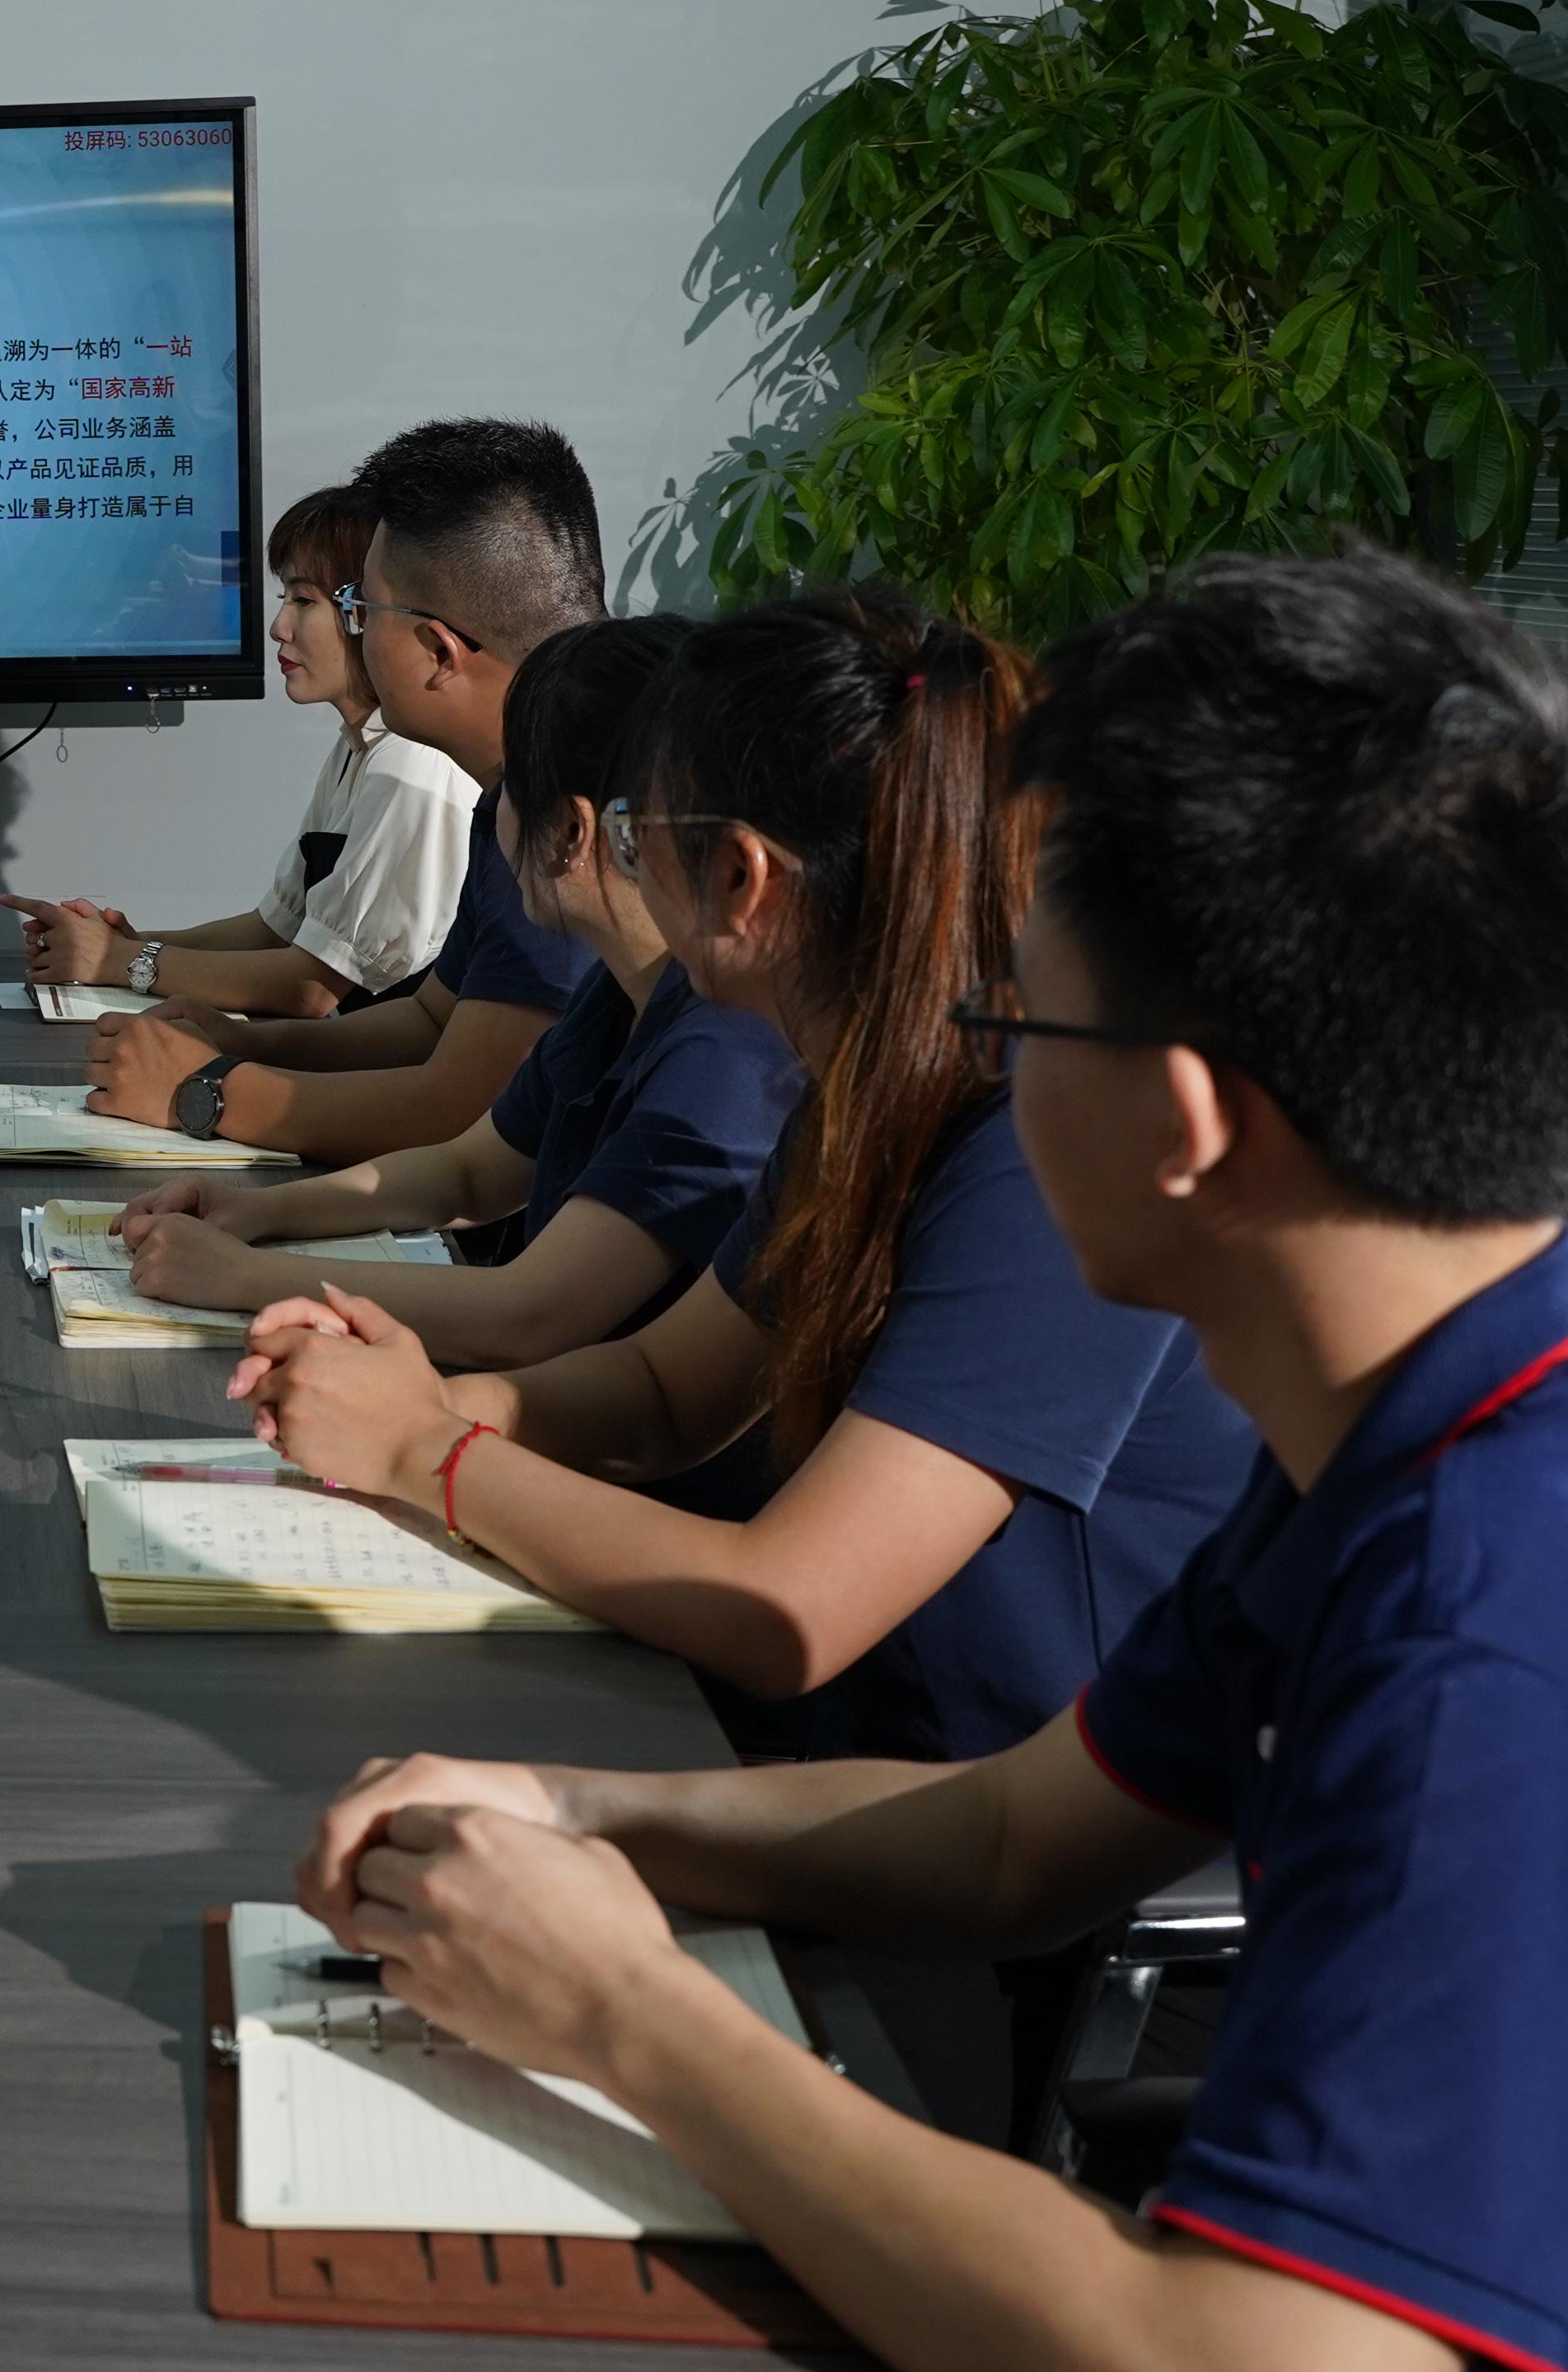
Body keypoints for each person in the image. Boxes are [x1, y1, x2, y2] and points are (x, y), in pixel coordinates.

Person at [289, 554, 1568, 2372]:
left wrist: (626, 2014)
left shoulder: (1505, 1631)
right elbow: (1013, 1834)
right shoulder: (1431, 1434)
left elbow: (1226, 2351)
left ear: (1186, 1123)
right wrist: (571, 1817)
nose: (984, 1068)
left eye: (1019, 1017)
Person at [236, 587, 1256, 1761]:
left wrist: (425, 1452)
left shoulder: (1033, 1153)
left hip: (987, 1822)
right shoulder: (863, 1092)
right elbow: (667, 1395)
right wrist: (420, 1404)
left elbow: (790, 1608)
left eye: (638, 833)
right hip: (853, 1762)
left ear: (740, 877)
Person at [110, 614, 795, 1368]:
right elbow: (466, 1171)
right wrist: (255, 1211)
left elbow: (529, 1313)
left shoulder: (720, 1052)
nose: (490, 814)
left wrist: (245, 1277)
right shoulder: (618, 995)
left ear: (572, 832)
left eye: (506, 789)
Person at [88, 419, 601, 1163]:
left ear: (438, 651)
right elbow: (428, 1022)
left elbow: (456, 1117)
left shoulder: (568, 824)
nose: (286, 627)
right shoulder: (511, 792)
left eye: (361, 609)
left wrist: (206, 1089)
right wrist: (238, 1042)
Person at [9, 482, 476, 1020]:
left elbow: (311, 987)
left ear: (366, 610)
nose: (278, 628)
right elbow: (274, 928)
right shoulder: (360, 746)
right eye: (285, 600)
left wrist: (121, 960)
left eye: (304, 601)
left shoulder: (413, 763)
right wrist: (124, 945)